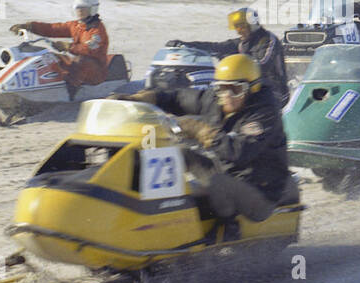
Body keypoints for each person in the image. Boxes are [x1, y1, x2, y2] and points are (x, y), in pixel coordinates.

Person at [122, 53, 292, 241]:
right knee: (178, 153)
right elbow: (178, 98)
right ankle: (142, 204)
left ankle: (229, 228)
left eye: (235, 90)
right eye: (221, 89)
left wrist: (202, 132)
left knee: (217, 182)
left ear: (252, 88)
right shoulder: (215, 100)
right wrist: (146, 98)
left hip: (260, 191)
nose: (227, 96)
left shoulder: (263, 113)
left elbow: (240, 151)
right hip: (228, 174)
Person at [171, 7, 288, 100]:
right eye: (236, 28)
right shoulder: (242, 43)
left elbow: (262, 65)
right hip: (247, 90)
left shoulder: (268, 40)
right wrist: (186, 45)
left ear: (252, 26)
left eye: (241, 27)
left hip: (274, 91)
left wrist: (234, 62)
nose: (238, 32)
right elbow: (216, 47)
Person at [9, 0, 111, 97]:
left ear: (92, 9)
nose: (80, 11)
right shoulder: (76, 26)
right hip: (78, 66)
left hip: (95, 71)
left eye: (83, 8)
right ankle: (44, 86)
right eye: (78, 8)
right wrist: (30, 26)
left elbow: (89, 49)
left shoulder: (97, 30)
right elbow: (53, 29)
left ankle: (71, 92)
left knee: (82, 61)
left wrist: (68, 47)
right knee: (50, 58)